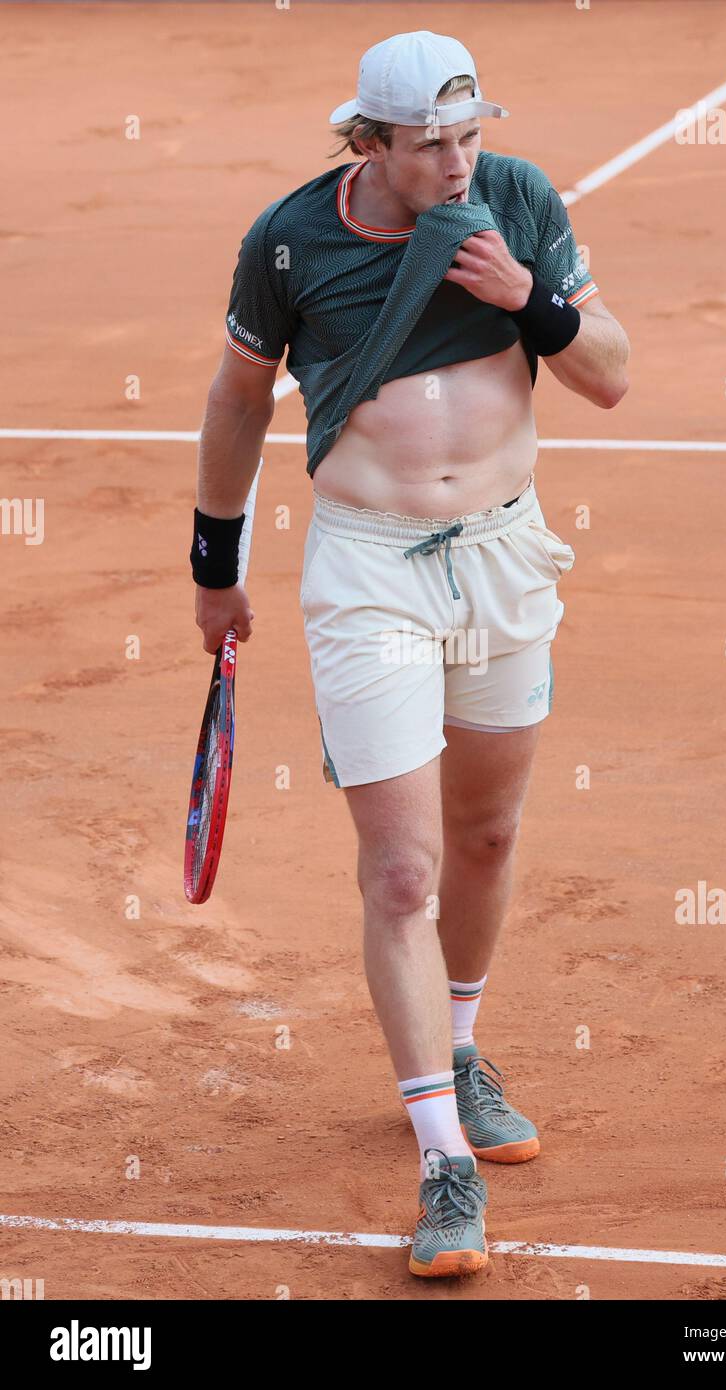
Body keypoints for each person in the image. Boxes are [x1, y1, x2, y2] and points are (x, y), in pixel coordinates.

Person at [192, 30, 629, 1279]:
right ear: (367, 143)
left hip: (504, 555)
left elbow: (609, 375)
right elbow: (236, 401)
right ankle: (442, 1160)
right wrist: (213, 572)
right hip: (369, 569)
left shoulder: (521, 202)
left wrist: (524, 300)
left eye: (467, 136)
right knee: (400, 873)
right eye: (426, 142)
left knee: (487, 838)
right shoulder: (289, 241)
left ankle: (463, 1048)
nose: (453, 162)